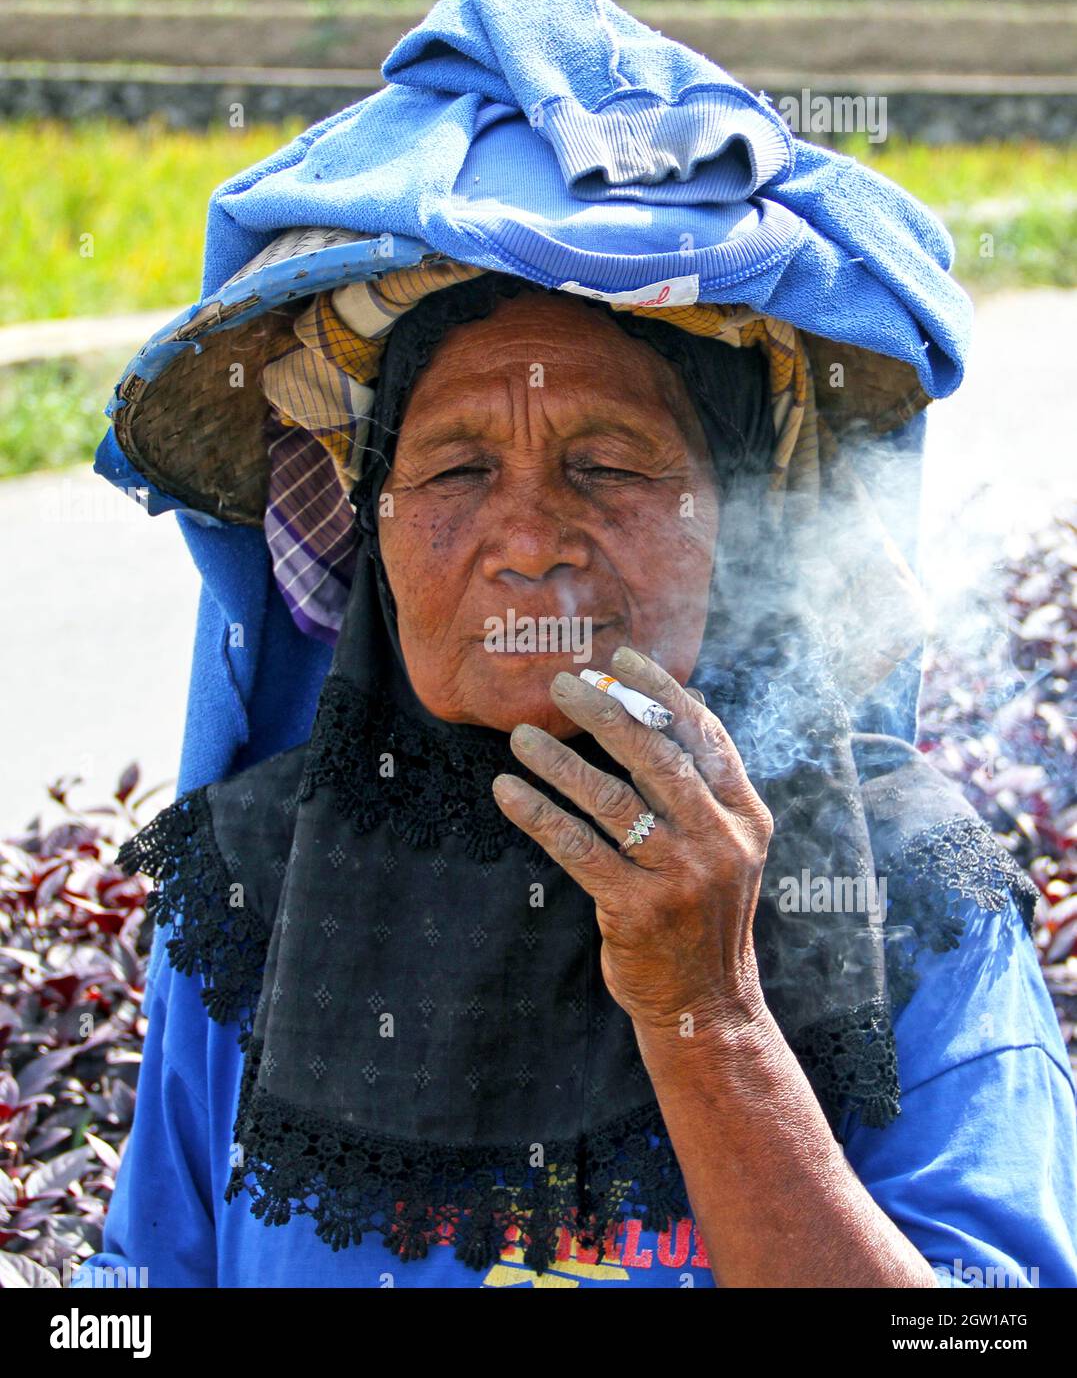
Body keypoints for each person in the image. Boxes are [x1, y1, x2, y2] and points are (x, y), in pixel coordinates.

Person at [74, 269, 1077, 1289]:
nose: (528, 541)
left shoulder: (900, 883)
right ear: (374, 524)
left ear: (730, 516)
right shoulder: (253, 879)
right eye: (457, 470)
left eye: (606, 464)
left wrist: (712, 1015)